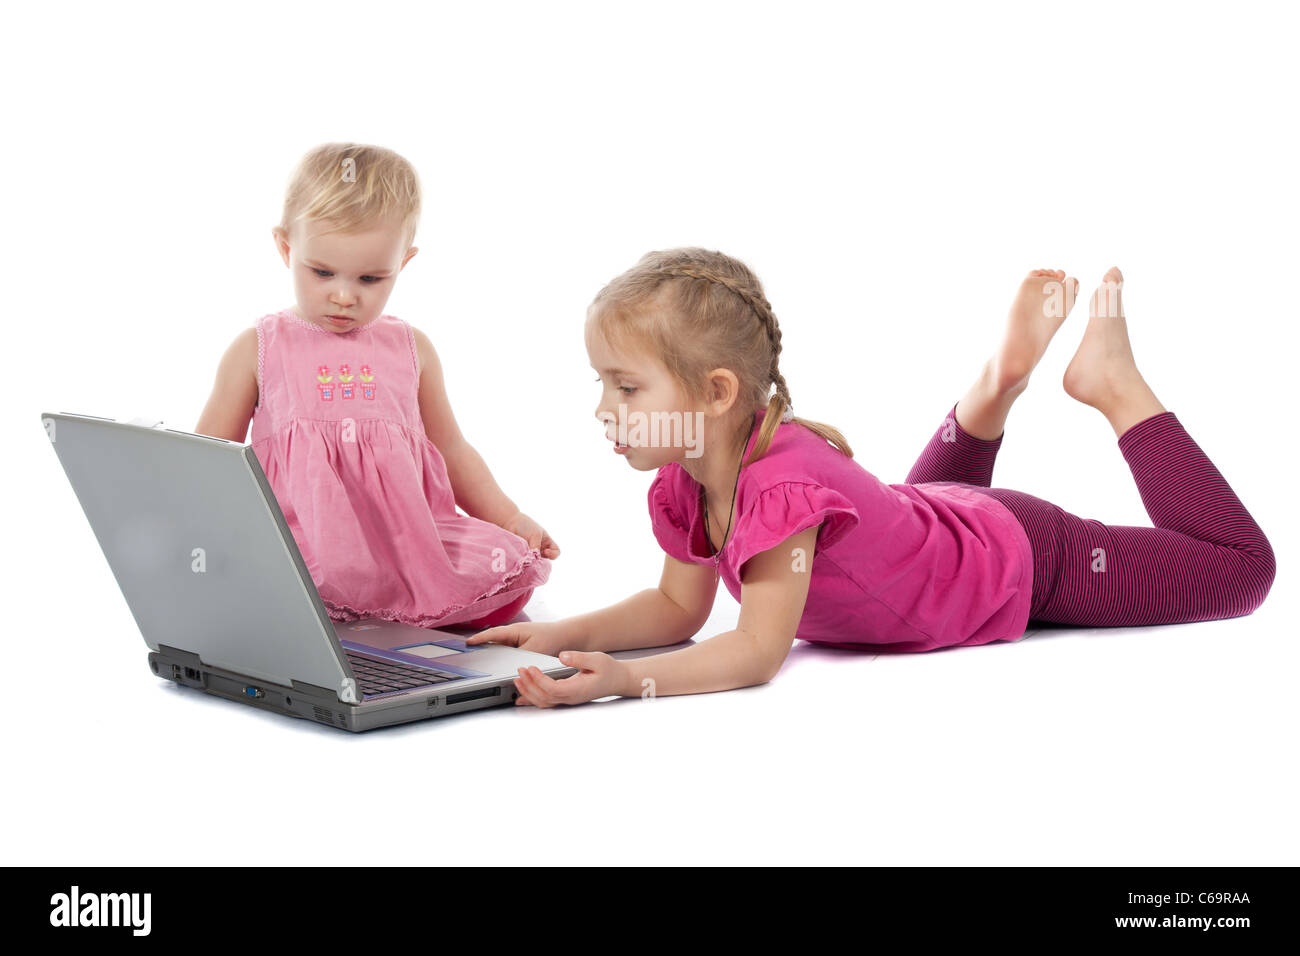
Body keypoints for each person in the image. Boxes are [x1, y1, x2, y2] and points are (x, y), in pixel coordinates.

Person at [469, 249, 1275, 706]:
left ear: (715, 394)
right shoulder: (686, 479)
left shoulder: (780, 495)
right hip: (933, 520)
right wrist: (565, 635)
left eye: (626, 386)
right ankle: (996, 384)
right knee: (912, 523)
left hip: (1026, 558)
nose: (603, 410)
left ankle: (1115, 388)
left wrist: (629, 681)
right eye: (600, 383)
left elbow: (755, 651)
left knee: (1242, 572)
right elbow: (679, 607)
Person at [195, 142, 557, 629]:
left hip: (407, 545)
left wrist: (510, 518)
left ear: (402, 264)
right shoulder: (259, 348)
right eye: (321, 272)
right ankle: (329, 611)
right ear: (286, 248)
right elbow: (208, 457)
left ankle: (406, 610)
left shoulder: (411, 349)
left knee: (505, 566)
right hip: (302, 542)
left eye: (371, 278)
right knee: (269, 578)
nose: (343, 295)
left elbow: (451, 447)